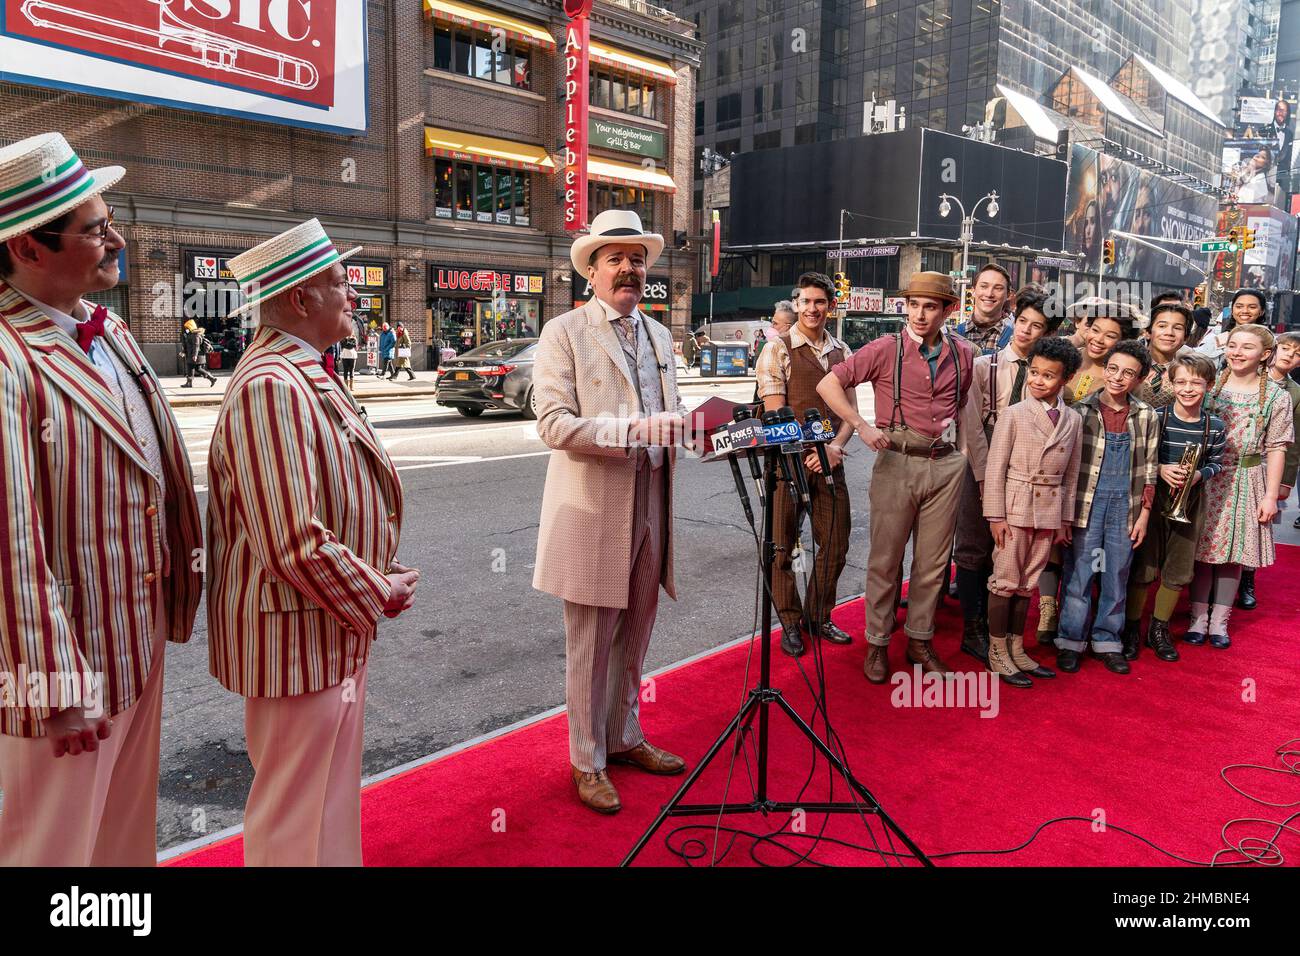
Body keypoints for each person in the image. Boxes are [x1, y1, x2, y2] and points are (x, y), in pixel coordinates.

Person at [0, 133, 203, 865]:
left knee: (122, 831)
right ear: (28, 248)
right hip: (67, 660)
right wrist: (51, 681)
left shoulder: (110, 329)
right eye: (94, 229)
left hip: (136, 631)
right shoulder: (7, 355)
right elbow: (9, 540)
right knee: (52, 847)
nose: (117, 239)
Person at [206, 219, 418, 865]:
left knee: (325, 806)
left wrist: (371, 571)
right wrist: (375, 587)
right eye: (338, 282)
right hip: (295, 638)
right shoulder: (273, 384)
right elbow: (292, 538)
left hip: (322, 630)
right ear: (300, 300)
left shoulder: (301, 372)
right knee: (295, 820)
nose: (352, 294)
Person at [532, 210, 688, 814]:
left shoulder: (657, 335)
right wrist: (639, 429)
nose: (630, 268)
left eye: (638, 259)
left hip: (654, 498)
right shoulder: (564, 332)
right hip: (596, 505)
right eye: (615, 258)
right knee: (591, 641)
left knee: (636, 632)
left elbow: (669, 408)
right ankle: (586, 759)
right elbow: (552, 424)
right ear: (590, 272)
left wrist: (698, 429)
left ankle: (624, 737)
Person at [817, 271, 986, 684]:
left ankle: (919, 641)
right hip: (896, 460)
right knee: (885, 560)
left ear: (948, 309)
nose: (920, 314)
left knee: (931, 564)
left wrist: (962, 455)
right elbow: (828, 384)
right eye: (913, 305)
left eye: (930, 306)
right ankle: (876, 642)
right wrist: (861, 425)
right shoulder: (884, 348)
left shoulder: (964, 353)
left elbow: (961, 405)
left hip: (944, 463)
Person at [953, 286, 1060, 664]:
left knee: (1010, 550)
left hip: (1024, 474)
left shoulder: (1049, 377)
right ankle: (973, 628)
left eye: (1038, 327)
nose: (1027, 331)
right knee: (972, 546)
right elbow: (971, 428)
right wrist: (984, 477)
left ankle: (1001, 632)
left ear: (1048, 334)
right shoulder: (986, 366)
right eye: (1024, 322)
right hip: (981, 466)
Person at [755, 272, 858, 656]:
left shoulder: (842, 351)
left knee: (835, 542)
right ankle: (790, 621)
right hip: (788, 462)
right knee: (782, 547)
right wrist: (805, 452)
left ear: (830, 306)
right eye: (805, 301)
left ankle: (818, 615)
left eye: (820, 302)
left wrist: (833, 448)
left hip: (830, 459)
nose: (812, 309)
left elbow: (851, 412)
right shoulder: (778, 348)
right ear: (796, 304)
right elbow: (776, 411)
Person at [982, 336, 1083, 687]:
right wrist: (996, 516)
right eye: (1034, 372)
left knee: (1028, 583)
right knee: (1006, 580)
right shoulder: (1013, 414)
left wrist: (1065, 519)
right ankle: (996, 650)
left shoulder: (1073, 420)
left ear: (1065, 379)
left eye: (1048, 375)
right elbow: (994, 468)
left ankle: (1016, 647)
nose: (1038, 380)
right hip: (1015, 507)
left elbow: (1071, 474)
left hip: (1049, 511)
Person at [1055, 340, 1160, 675]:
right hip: (1086, 503)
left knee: (1116, 573)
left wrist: (1144, 514)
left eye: (1128, 373)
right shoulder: (1081, 411)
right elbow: (1069, 468)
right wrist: (1066, 515)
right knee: (1079, 574)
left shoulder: (1146, 415)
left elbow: (1150, 469)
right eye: (1113, 369)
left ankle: (1107, 640)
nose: (1117, 377)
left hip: (1125, 507)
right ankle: (1070, 641)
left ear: (1140, 379)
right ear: (1104, 369)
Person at [1190, 325, 1292, 649]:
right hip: (1207, 477)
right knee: (1203, 552)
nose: (1236, 352)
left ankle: (1219, 622)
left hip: (1247, 480)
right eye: (1232, 345)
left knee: (1233, 555)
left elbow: (1277, 447)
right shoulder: (1210, 389)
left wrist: (1271, 495)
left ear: (1264, 355)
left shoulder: (1277, 396)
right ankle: (1196, 618)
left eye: (1246, 347)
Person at [1123, 355, 1226, 660]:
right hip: (1153, 500)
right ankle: (1131, 628)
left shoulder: (1214, 426)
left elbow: (1217, 464)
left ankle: (1159, 628)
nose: (1188, 388)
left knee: (1179, 568)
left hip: (1190, 502)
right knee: (1144, 565)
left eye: (1196, 382)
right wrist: (1161, 470)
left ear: (1209, 385)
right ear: (1171, 383)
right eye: (1181, 381)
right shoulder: (1155, 417)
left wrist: (1198, 474)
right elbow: (1138, 457)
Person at [1138, 302, 1191, 409]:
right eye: (1162, 326)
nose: (1169, 332)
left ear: (1186, 338)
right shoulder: (1130, 365)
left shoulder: (1188, 373)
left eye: (1178, 328)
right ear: (1148, 332)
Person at [953, 263, 1013, 354]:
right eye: (984, 286)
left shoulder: (1015, 339)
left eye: (998, 288)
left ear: (1008, 295)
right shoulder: (953, 336)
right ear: (973, 291)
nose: (989, 294)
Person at [1198, 289, 1268, 360]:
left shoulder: (1268, 342)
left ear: (1262, 311)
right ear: (1232, 310)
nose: (1245, 311)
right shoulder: (1218, 340)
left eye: (1252, 307)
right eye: (1239, 306)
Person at [181, 318, 218, 387]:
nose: (186, 329)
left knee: (190, 367)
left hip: (195, 355)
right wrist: (184, 351)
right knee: (198, 368)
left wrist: (194, 355)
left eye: (187, 328)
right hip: (195, 355)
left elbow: (196, 345)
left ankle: (189, 383)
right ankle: (211, 378)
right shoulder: (192, 334)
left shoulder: (195, 335)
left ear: (190, 327)